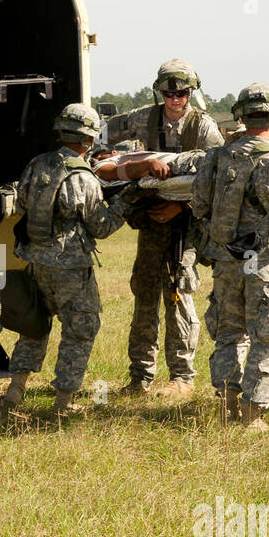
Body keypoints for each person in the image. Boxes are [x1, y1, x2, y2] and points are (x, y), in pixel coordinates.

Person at [190, 84, 269, 432]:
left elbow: (198, 205)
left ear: (241, 117)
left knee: (229, 333)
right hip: (263, 262)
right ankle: (253, 416)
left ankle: (227, 404)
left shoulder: (214, 158)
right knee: (268, 334)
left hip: (226, 259)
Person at [106, 60, 224, 399]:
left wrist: (182, 206)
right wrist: (112, 156)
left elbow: (215, 174)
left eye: (182, 93)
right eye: (169, 92)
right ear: (160, 92)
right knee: (144, 292)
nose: (175, 99)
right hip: (150, 217)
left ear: (191, 93)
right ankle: (140, 377)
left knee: (178, 291)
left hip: (186, 219)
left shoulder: (204, 127)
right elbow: (103, 133)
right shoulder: (145, 117)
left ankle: (182, 378)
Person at [4, 103, 129, 416]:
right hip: (70, 266)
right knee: (80, 329)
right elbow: (101, 227)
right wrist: (125, 205)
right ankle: (64, 402)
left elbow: (20, 205)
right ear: (88, 140)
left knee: (33, 324)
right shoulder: (84, 177)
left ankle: (15, 391)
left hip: (34, 260)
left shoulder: (37, 164)